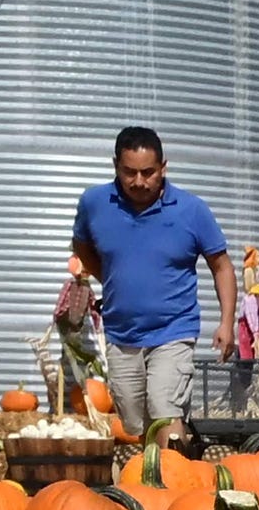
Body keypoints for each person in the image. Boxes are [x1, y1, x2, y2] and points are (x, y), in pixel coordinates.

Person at [68, 125, 236, 444]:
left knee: (165, 412)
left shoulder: (191, 210)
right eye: (129, 172)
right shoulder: (94, 203)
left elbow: (222, 266)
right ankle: (154, 480)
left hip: (174, 329)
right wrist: (111, 278)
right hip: (121, 333)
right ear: (115, 165)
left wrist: (227, 322)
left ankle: (175, 486)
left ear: (163, 168)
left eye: (148, 172)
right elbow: (81, 247)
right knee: (135, 425)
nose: (139, 182)